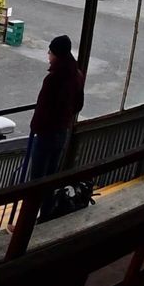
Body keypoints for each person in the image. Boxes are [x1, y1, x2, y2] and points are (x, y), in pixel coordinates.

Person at [25, 35, 84, 185]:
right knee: (51, 174)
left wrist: (35, 127)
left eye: (50, 52)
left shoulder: (53, 79)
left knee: (36, 177)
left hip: (46, 134)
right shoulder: (77, 76)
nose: (48, 55)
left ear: (57, 55)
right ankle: (47, 200)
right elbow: (78, 104)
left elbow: (42, 108)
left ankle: (33, 200)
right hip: (62, 132)